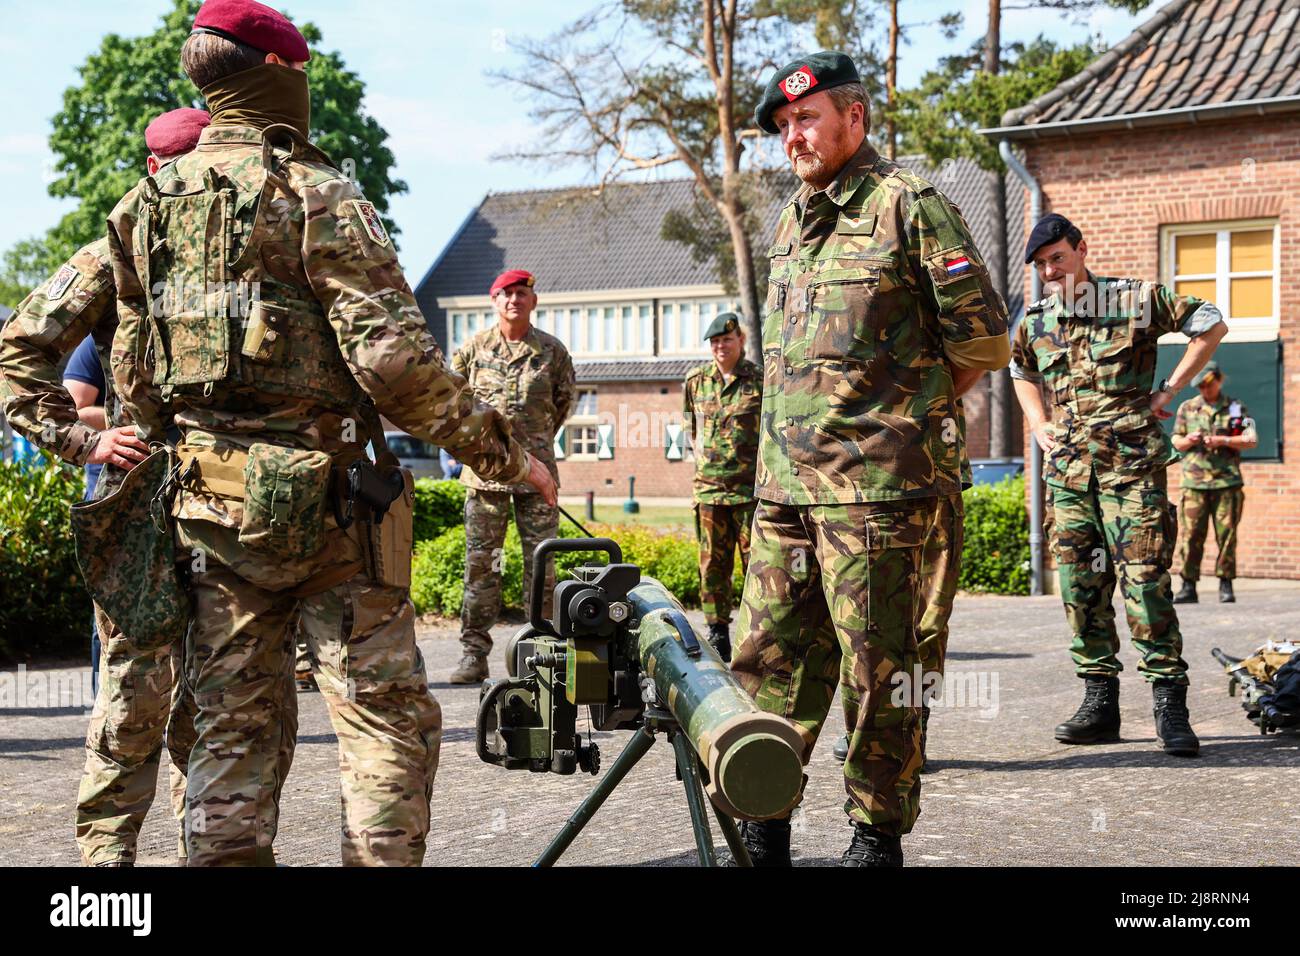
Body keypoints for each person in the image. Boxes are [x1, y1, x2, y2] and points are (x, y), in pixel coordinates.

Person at [107, 0, 555, 866]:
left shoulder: (144, 206)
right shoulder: (317, 193)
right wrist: (508, 456)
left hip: (209, 512)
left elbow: (135, 377)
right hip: (334, 516)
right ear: (281, 73)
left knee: (230, 729)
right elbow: (394, 365)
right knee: (383, 721)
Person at [730, 51, 1009, 867]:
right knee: (766, 662)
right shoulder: (791, 220)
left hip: (877, 493)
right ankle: (764, 815)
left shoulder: (908, 205)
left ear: (854, 117)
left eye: (806, 119)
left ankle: (876, 835)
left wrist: (899, 416)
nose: (793, 137)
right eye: (783, 126)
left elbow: (984, 340)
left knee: (880, 670)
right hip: (785, 489)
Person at [0, 106, 210, 867]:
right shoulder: (112, 257)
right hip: (142, 507)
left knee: (222, 701)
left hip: (235, 506)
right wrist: (84, 439)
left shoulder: (252, 252)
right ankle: (106, 866)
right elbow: (18, 354)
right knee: (134, 692)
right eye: (184, 168)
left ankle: (211, 849)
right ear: (155, 171)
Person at [1010, 212, 1227, 758]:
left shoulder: (1134, 299)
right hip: (1068, 473)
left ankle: (1169, 704)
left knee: (1145, 582)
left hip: (1131, 468)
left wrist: (1169, 390)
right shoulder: (1036, 320)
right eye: (1041, 266)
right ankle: (1099, 703)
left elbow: (1211, 323)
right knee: (1080, 585)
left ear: (1081, 249)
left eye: (1058, 259)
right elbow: (1020, 371)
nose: (1050, 272)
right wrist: (1038, 424)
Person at [449, 269, 575, 683]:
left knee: (541, 567)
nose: (513, 300)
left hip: (537, 479)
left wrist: (532, 446)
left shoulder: (552, 352)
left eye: (521, 293)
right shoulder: (472, 351)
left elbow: (563, 403)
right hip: (485, 479)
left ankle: (543, 652)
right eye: (505, 294)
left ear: (533, 301)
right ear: (494, 301)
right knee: (482, 566)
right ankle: (473, 653)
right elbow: (454, 405)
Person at [681, 312, 762, 661]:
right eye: (714, 342)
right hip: (709, 490)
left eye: (726, 340)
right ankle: (717, 633)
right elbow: (689, 427)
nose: (720, 346)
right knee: (712, 565)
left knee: (757, 564)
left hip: (749, 492)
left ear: (740, 340)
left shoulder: (760, 380)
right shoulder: (695, 381)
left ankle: (757, 635)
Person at [1171, 361, 1256, 604]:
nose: (1205, 390)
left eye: (1208, 384)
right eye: (1200, 386)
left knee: (1227, 536)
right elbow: (1175, 441)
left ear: (1218, 380)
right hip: (1194, 483)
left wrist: (1223, 441)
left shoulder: (1235, 408)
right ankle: (1188, 585)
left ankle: (1226, 584)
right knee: (1190, 536)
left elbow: (1251, 439)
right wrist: (1189, 439)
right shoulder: (1188, 407)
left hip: (1226, 483)